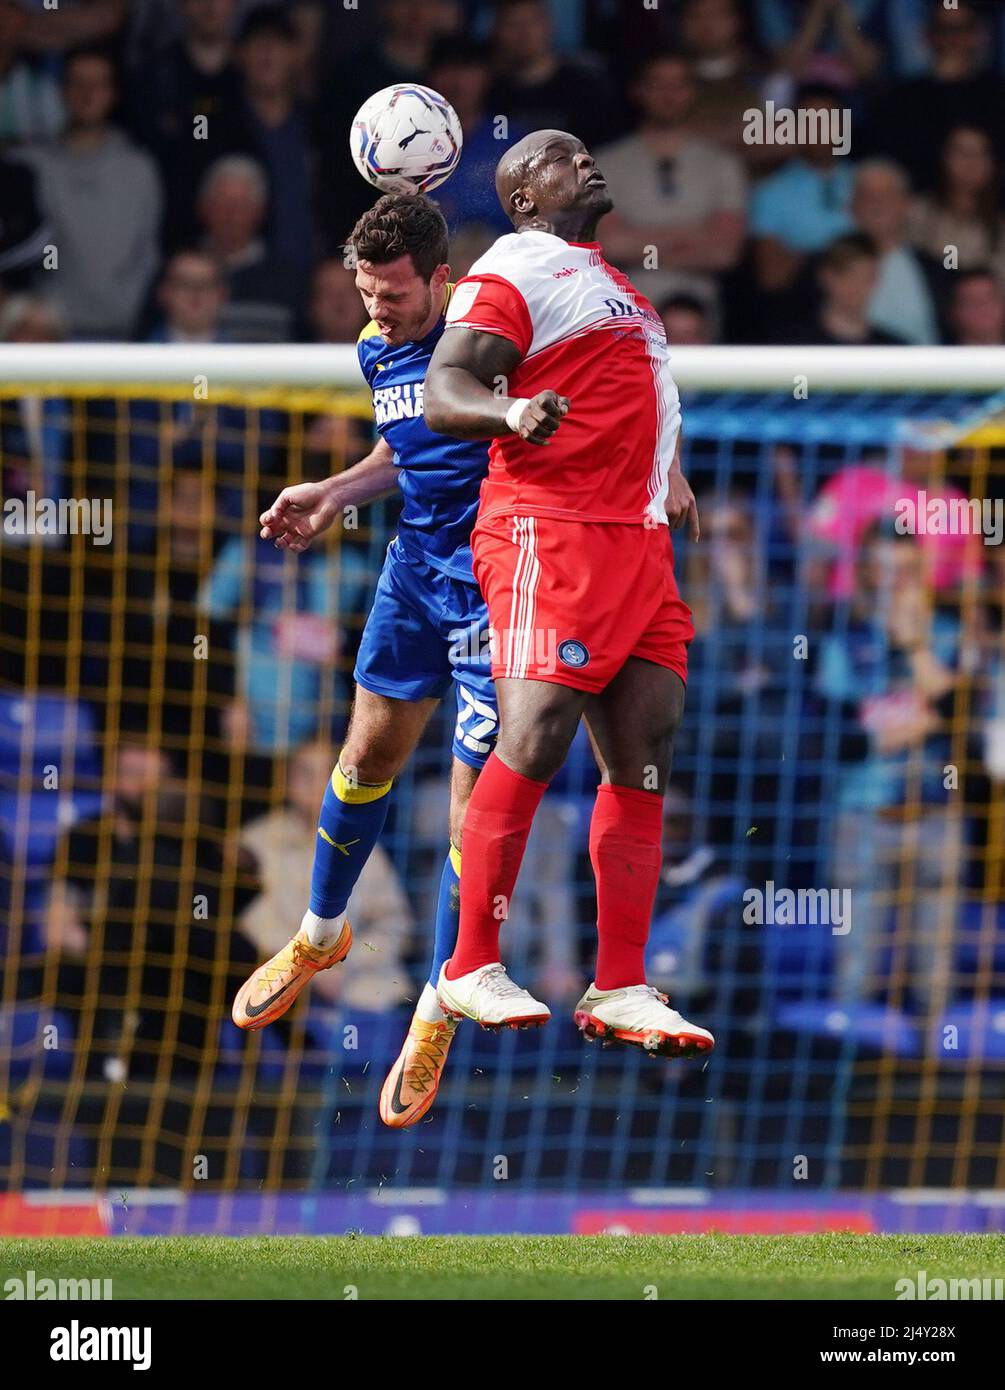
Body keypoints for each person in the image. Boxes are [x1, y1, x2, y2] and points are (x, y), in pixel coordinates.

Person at [423, 128, 715, 1057]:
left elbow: (635, 398)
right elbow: (445, 385)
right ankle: (469, 962)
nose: (582, 162)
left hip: (636, 542)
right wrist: (509, 409)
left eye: (584, 152)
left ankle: (620, 984)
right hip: (549, 529)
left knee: (648, 738)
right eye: (556, 157)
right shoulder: (514, 263)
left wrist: (666, 472)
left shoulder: (619, 289)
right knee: (539, 726)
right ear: (519, 197)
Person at [230, 194, 502, 1129]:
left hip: (496, 584)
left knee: (477, 809)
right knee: (362, 760)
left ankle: (436, 1005)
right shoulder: (372, 343)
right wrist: (336, 489)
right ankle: (318, 934)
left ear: (442, 280)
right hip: (410, 571)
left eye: (393, 295)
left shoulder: (493, 333)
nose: (377, 309)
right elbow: (409, 443)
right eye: (365, 293)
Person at [23, 46, 162, 339]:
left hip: (123, 333)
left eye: (98, 84)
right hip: (47, 335)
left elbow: (148, 251)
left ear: (113, 94)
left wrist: (129, 308)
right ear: (61, 91)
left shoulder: (139, 168)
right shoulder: (30, 165)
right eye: (78, 83)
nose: (87, 94)